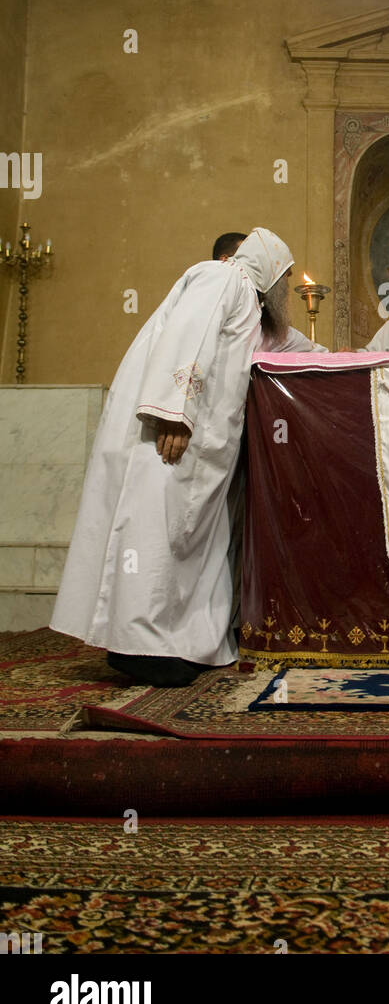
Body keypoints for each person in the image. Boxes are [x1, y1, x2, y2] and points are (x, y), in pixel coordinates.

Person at [50, 228, 294, 687]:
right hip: (173, 435)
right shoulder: (224, 279)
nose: (284, 293)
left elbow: (287, 350)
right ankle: (138, 646)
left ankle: (176, 642)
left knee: (184, 544)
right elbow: (188, 335)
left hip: (205, 453)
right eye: (285, 281)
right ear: (270, 270)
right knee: (152, 537)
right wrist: (173, 412)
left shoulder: (250, 310)